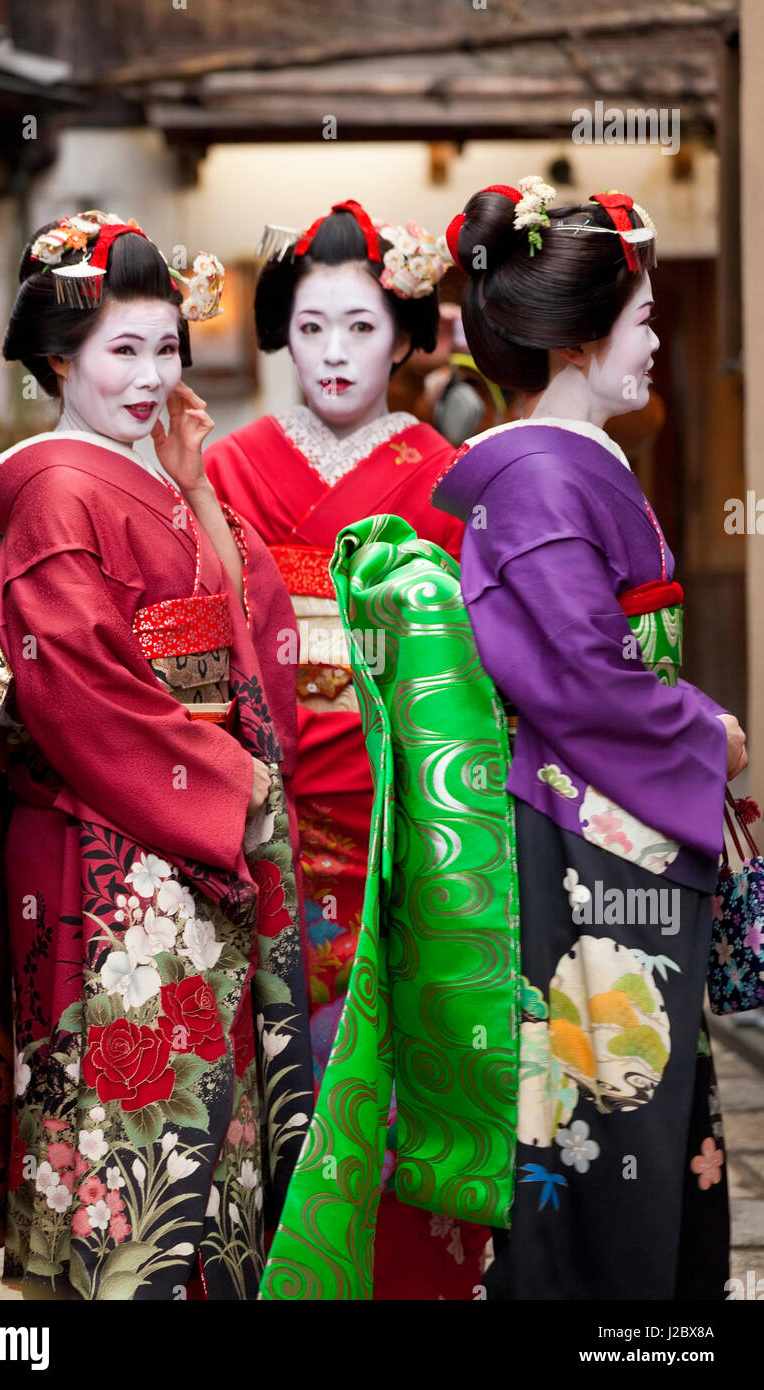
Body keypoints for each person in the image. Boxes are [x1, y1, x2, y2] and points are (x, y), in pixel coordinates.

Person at [0, 209, 314, 1300]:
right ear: (58, 357)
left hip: (180, 841)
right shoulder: (57, 492)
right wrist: (231, 794)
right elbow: (82, 697)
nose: (149, 378)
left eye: (164, 348)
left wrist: (195, 483)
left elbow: (250, 639)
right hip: (110, 864)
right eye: (121, 351)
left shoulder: (151, 478)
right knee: (128, 1141)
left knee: (204, 1139)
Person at [425, 179, 742, 1298]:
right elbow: (574, 673)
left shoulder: (564, 462)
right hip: (580, 830)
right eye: (644, 318)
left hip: (605, 822)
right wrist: (699, 731)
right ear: (577, 338)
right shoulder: (544, 474)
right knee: (603, 1109)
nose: (654, 340)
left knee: (642, 1104)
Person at [205, 202, 487, 1297]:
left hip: (398, 812)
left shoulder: (448, 472)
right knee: (267, 1092)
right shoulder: (225, 467)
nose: (332, 353)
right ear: (280, 329)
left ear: (407, 336)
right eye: (312, 325)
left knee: (382, 1087)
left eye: (361, 328)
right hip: (259, 813)